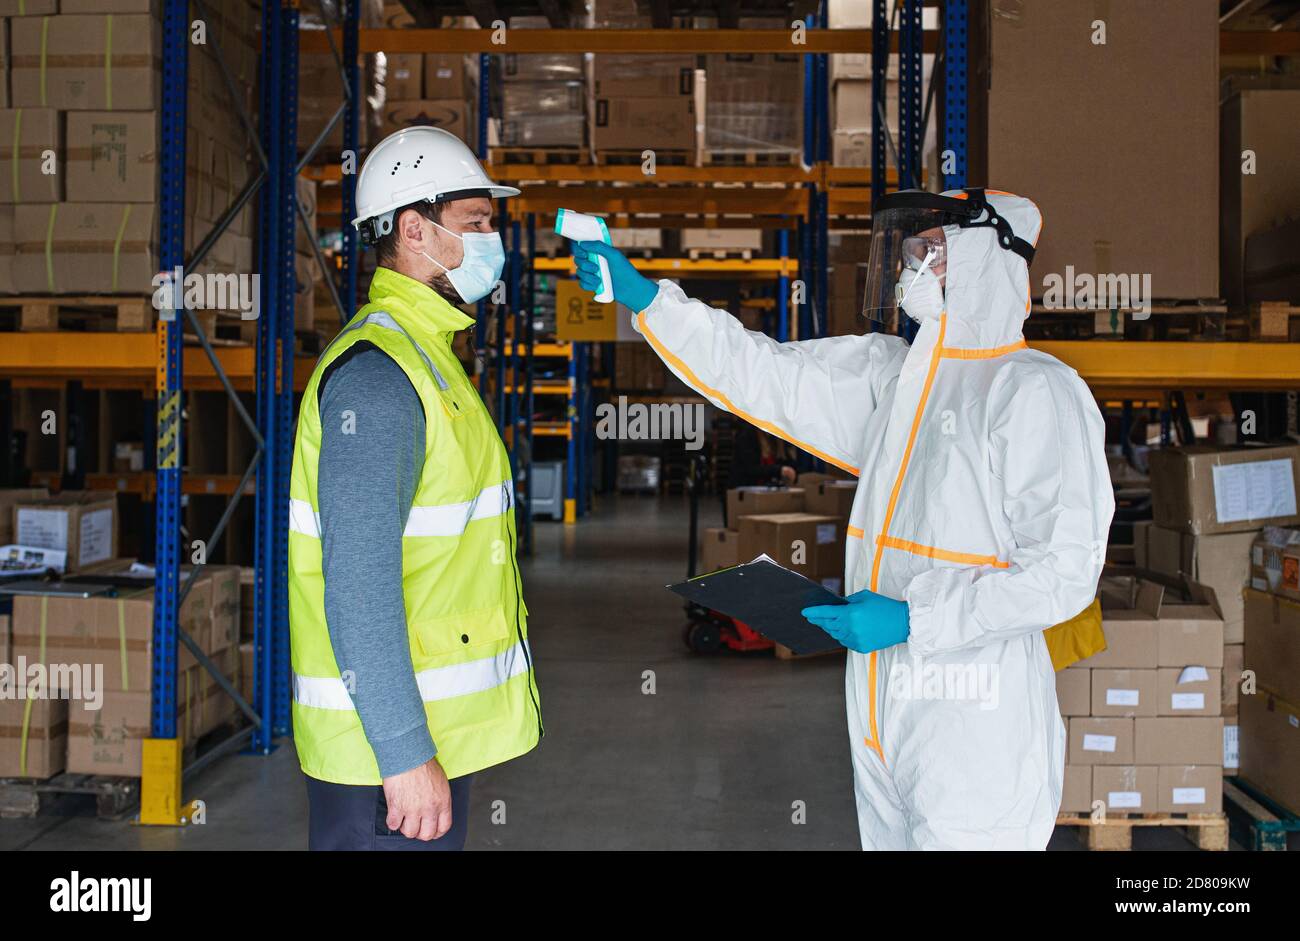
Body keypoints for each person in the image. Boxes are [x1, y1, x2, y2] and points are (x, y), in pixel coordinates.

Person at [574, 189, 1113, 850]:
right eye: (913, 247)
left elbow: (1064, 573)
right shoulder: (900, 381)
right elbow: (767, 374)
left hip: (977, 727)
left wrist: (916, 617)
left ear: (988, 255)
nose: (915, 262)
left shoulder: (1034, 390)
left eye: (934, 247)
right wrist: (650, 301)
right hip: (883, 715)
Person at [287, 127, 542, 851]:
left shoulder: (428, 356)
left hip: (419, 740)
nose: (494, 244)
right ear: (414, 229)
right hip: (384, 763)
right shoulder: (380, 374)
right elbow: (358, 579)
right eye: (477, 224)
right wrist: (402, 751)